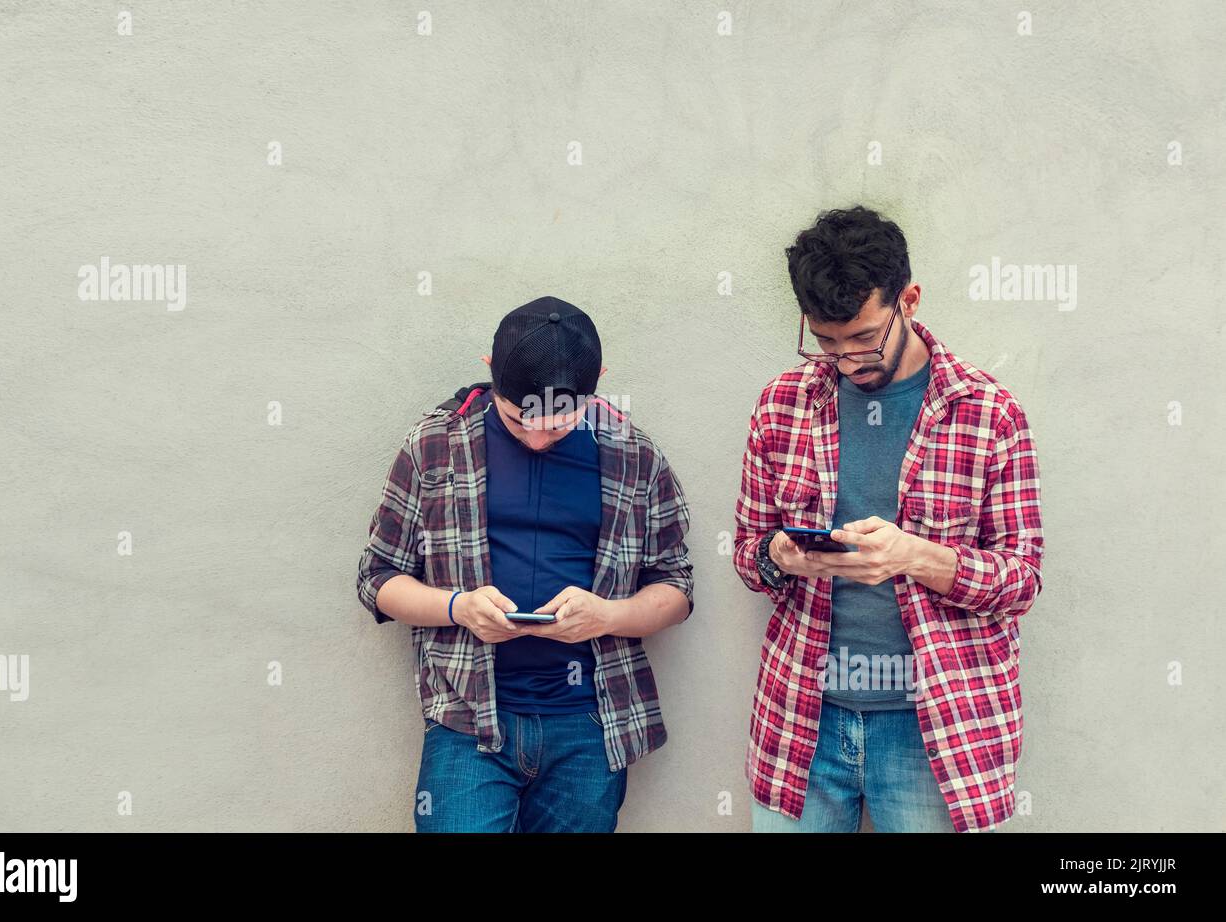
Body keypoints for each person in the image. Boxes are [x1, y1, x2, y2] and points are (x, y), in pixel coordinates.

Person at [733, 206, 1044, 833]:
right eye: (826, 341)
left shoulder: (988, 414)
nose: (846, 360)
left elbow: (1022, 581)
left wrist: (914, 556)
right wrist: (781, 557)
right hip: (803, 716)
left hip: (938, 726)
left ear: (910, 299)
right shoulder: (781, 404)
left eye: (864, 337)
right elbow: (745, 552)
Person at [358, 295, 693, 832]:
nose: (538, 438)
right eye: (519, 422)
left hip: (590, 723)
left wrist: (608, 616)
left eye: (559, 424)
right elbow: (376, 579)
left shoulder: (635, 454)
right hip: (467, 719)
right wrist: (458, 607)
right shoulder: (435, 446)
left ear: (597, 381)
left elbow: (676, 588)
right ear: (491, 373)